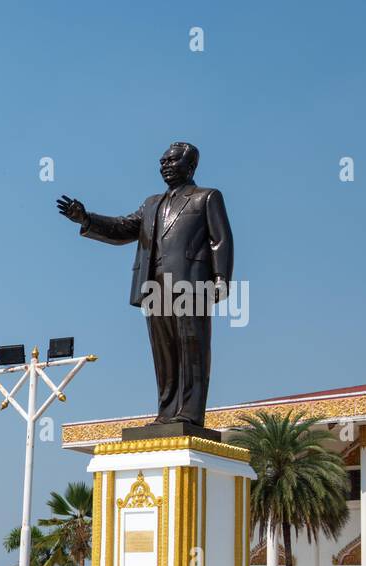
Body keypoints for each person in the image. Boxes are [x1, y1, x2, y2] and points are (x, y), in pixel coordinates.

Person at [56, 141, 233, 427]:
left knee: (192, 350)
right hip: (154, 287)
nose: (165, 166)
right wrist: (86, 218)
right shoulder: (151, 204)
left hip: (191, 284)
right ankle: (166, 411)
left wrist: (221, 280)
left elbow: (220, 240)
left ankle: (189, 412)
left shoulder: (207, 197)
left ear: (191, 166)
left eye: (172, 161)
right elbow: (122, 228)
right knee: (163, 352)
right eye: (162, 161)